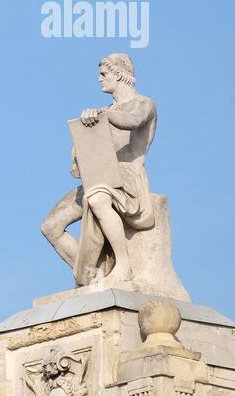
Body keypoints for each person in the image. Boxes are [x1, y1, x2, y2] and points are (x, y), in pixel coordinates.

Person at [41, 53, 157, 285]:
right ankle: (92, 274)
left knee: (97, 198)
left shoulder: (143, 104)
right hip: (97, 176)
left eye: (104, 74)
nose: (99, 79)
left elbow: (132, 121)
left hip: (126, 176)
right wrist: (80, 148)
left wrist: (104, 115)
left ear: (119, 75)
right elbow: (77, 170)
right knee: (51, 226)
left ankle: (124, 265)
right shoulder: (102, 112)